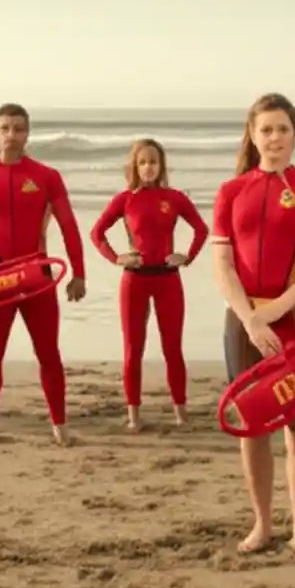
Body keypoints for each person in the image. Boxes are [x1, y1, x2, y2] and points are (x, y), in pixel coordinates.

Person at [211, 93, 295, 560]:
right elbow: (222, 265)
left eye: (283, 129)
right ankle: (262, 524)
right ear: (252, 134)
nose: (275, 138)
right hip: (241, 322)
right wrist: (248, 317)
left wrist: (273, 311)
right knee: (253, 424)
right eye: (266, 129)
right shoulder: (231, 191)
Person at [0, 103, 87, 447]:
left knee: (48, 353)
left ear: (28, 133)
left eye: (19, 128)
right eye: (5, 128)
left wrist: (78, 274)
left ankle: (59, 425)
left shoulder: (46, 176)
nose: (12, 135)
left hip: (36, 273)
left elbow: (69, 226)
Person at [89, 138, 208, 432]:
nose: (148, 167)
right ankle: (134, 415)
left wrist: (187, 257)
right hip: (135, 281)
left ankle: (180, 412)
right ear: (134, 166)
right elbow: (97, 233)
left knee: (172, 348)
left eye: (153, 161)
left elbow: (201, 229)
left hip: (168, 279)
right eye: (142, 162)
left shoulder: (175, 197)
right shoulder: (125, 199)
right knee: (133, 349)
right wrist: (116, 257)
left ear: (161, 165)